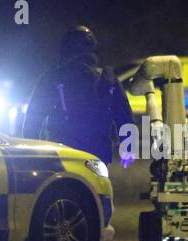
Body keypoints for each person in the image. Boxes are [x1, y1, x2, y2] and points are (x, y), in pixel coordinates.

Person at [22, 25, 135, 166]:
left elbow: (34, 117)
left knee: (63, 186)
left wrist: (31, 152)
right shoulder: (106, 77)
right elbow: (124, 115)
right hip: (97, 153)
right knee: (97, 187)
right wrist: (128, 149)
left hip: (62, 152)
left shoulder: (52, 77)